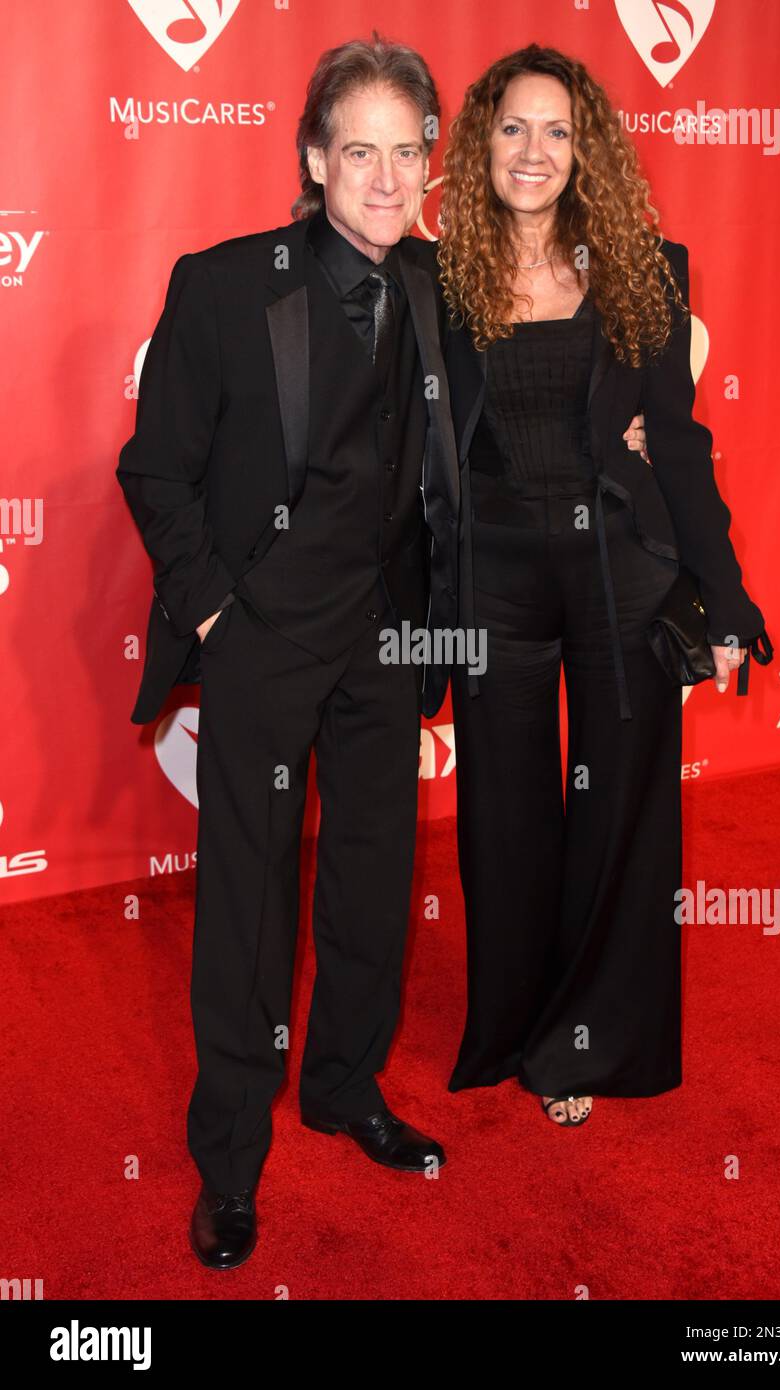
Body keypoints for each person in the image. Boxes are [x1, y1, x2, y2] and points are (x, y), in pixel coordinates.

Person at [117, 35, 460, 1270]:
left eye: (405, 150)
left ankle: (345, 1089)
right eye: (356, 150)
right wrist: (215, 614)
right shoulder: (222, 287)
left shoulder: (433, 284)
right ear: (314, 158)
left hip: (386, 636)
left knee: (371, 881)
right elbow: (152, 469)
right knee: (249, 910)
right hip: (263, 636)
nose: (383, 177)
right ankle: (229, 1160)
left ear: (431, 158)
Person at [437, 45, 773, 1128]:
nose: (532, 152)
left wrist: (722, 598)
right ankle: (509, 1023)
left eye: (556, 131)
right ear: (479, 142)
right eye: (510, 128)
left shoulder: (646, 271)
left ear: (589, 152)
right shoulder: (435, 277)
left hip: (617, 568)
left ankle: (582, 1040)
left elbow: (677, 449)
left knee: (620, 810)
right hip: (491, 582)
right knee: (504, 812)